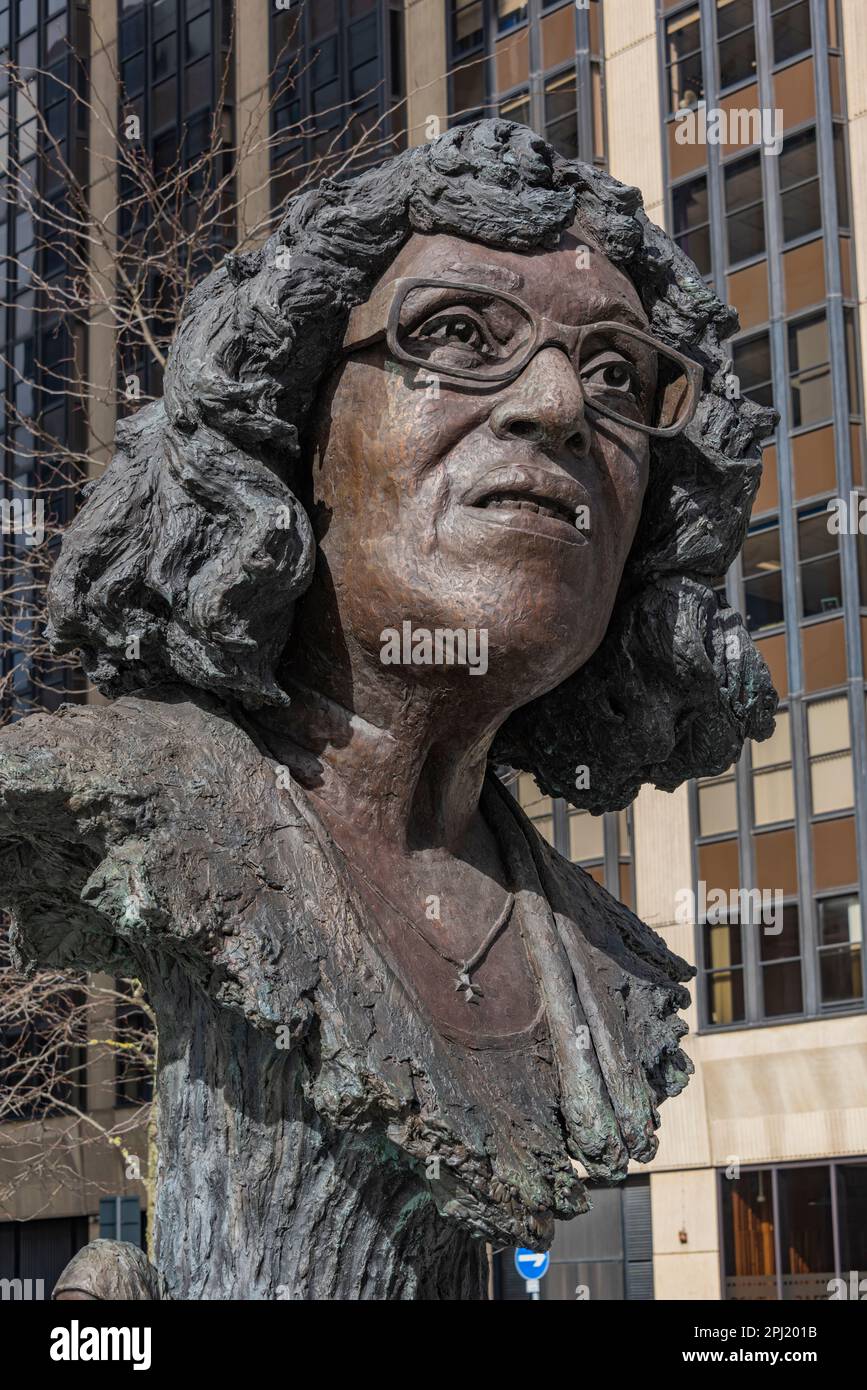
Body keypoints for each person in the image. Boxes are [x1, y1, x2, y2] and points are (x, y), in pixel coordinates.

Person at [0, 121, 776, 1300]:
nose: (564, 401)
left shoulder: (614, 964)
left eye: (619, 372)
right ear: (296, 423)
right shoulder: (120, 791)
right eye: (461, 334)